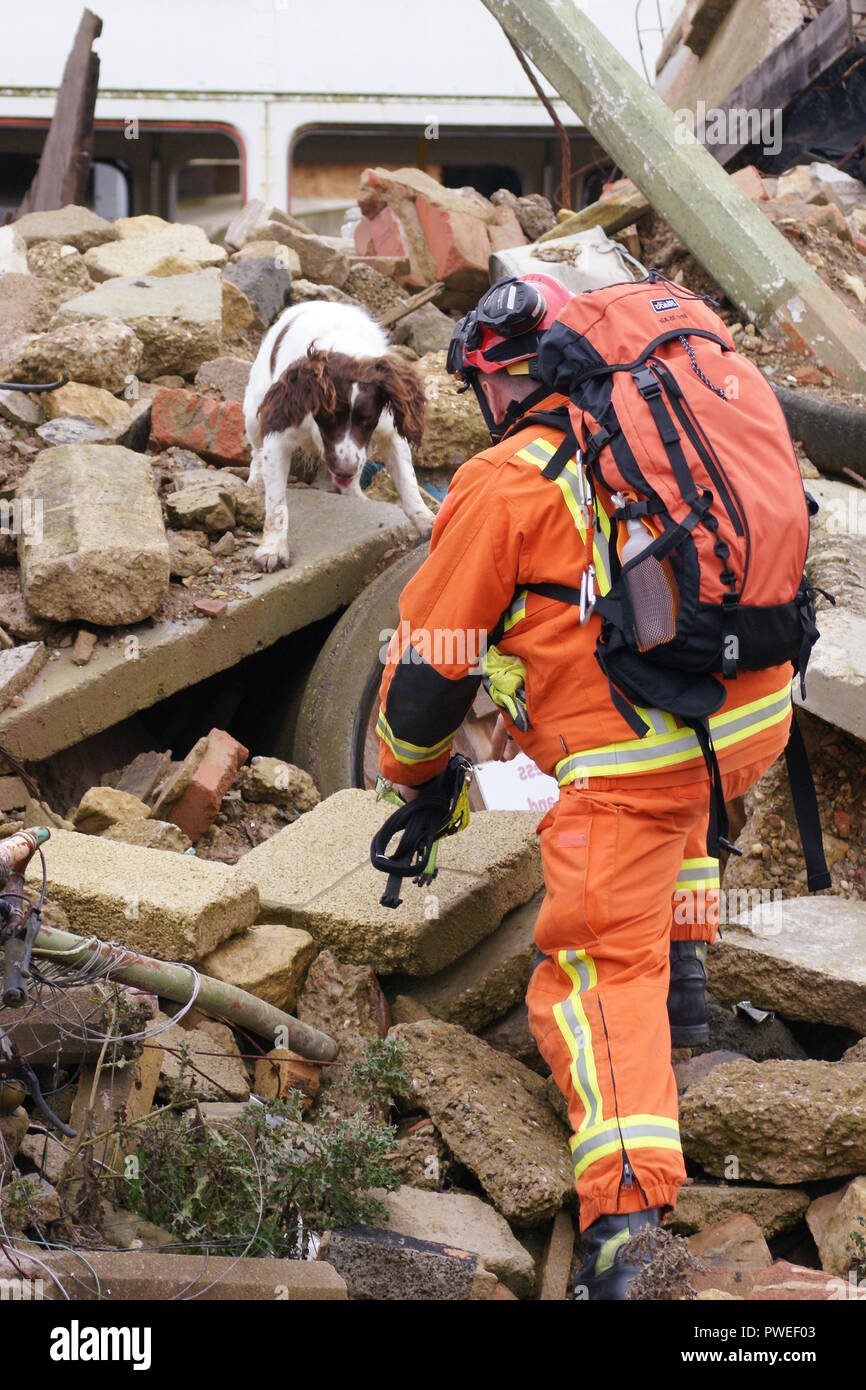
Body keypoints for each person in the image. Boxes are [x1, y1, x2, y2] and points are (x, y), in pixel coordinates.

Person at [375, 273, 795, 1299]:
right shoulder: (665, 418)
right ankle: (687, 1000)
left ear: (493, 384)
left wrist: (413, 772)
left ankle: (626, 1228)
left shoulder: (506, 480)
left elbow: (429, 671)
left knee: (597, 969)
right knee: (679, 818)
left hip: (638, 757)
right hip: (750, 715)